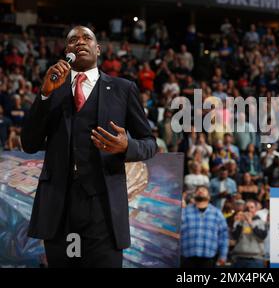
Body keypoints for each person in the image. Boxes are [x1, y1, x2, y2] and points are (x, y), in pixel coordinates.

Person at [20, 26, 158, 268]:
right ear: (66, 51)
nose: (80, 42)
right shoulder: (52, 88)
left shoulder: (123, 89)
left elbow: (150, 144)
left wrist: (127, 146)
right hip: (58, 208)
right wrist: (43, 96)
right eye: (73, 40)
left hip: (103, 209)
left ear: (98, 49)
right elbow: (29, 144)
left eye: (87, 38)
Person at [181, 186, 229, 268]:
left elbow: (223, 236)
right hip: (186, 258)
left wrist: (223, 256)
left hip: (209, 258)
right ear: (194, 195)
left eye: (203, 190)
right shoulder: (184, 212)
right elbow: (177, 233)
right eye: (198, 190)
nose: (200, 191)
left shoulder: (217, 213)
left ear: (209, 197)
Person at [231, 199, 267, 268]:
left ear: (256, 210)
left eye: (251, 207)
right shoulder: (240, 222)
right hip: (239, 258)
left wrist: (250, 223)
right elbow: (235, 236)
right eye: (247, 207)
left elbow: (262, 236)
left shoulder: (260, 222)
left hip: (255, 259)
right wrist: (241, 222)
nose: (249, 209)